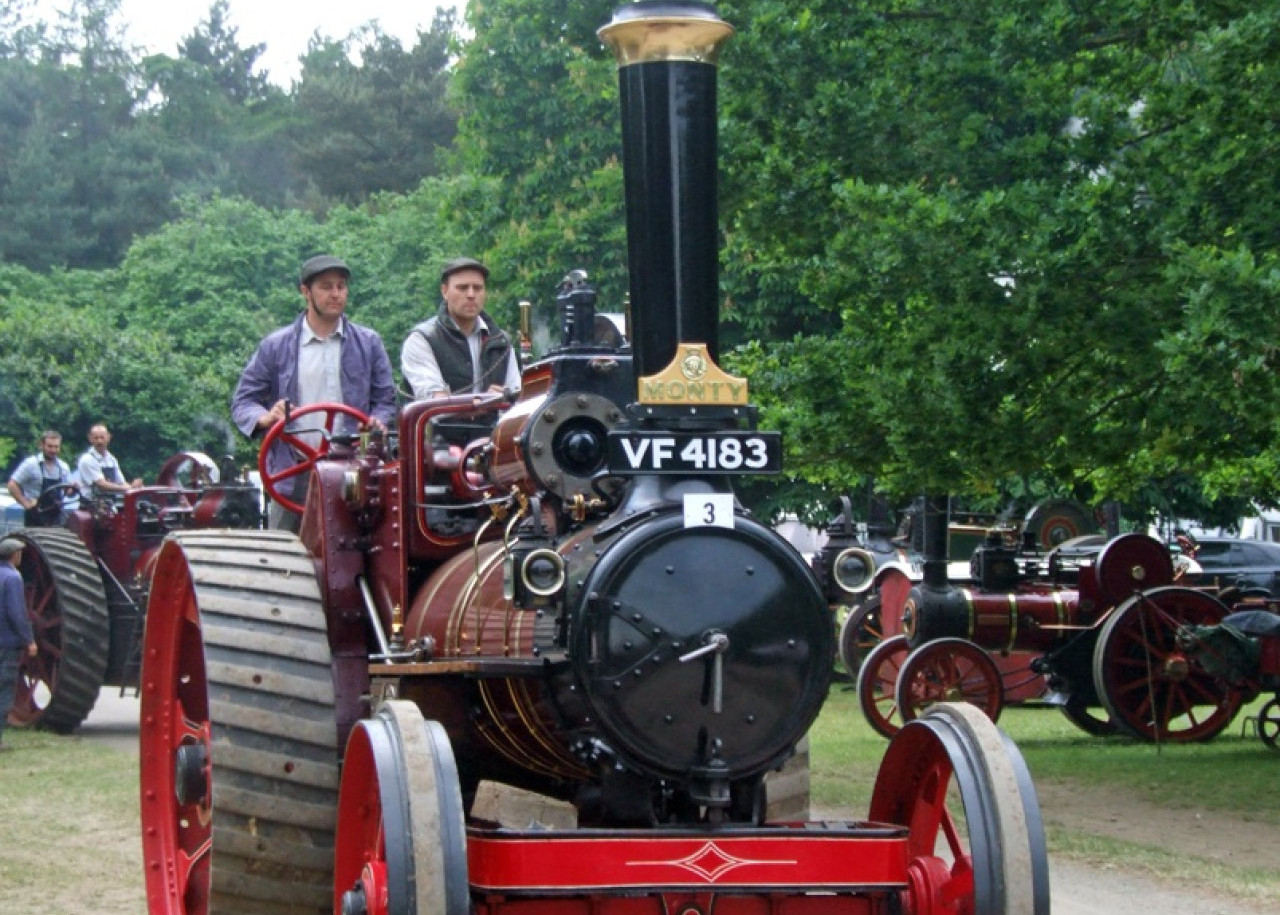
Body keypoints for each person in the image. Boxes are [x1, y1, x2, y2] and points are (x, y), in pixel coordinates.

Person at [231, 254, 397, 531]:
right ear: (305, 292)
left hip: (355, 474)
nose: (336, 294)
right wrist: (265, 417)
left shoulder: (369, 343)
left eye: (341, 286)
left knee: (365, 545)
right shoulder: (275, 346)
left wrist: (377, 421)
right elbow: (243, 401)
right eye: (326, 287)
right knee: (280, 549)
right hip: (293, 474)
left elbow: (386, 401)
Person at [401, 257, 521, 400]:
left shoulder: (501, 341)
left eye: (478, 288)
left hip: (498, 416)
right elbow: (435, 402)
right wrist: (484, 401)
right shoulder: (421, 340)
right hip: (443, 417)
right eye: (462, 288)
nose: (471, 295)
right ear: (444, 291)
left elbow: (518, 397)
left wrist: (506, 396)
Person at [0, 537, 36, 751]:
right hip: (7, 643)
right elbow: (17, 613)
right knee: (4, 690)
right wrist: (29, 640)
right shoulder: (13, 578)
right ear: (15, 555)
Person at [7, 431, 74, 526]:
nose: (53, 450)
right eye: (50, 446)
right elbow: (12, 485)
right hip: (35, 517)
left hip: (56, 517)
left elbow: (68, 492)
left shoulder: (63, 467)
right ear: (41, 445)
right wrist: (26, 504)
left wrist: (73, 488)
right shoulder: (31, 464)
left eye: (56, 447)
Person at [76, 424, 142, 500]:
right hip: (91, 503)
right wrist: (130, 487)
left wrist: (134, 487)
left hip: (110, 502)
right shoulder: (87, 459)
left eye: (102, 437)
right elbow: (102, 485)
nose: (99, 441)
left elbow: (121, 482)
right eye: (96, 438)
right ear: (90, 439)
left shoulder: (111, 459)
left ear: (108, 437)